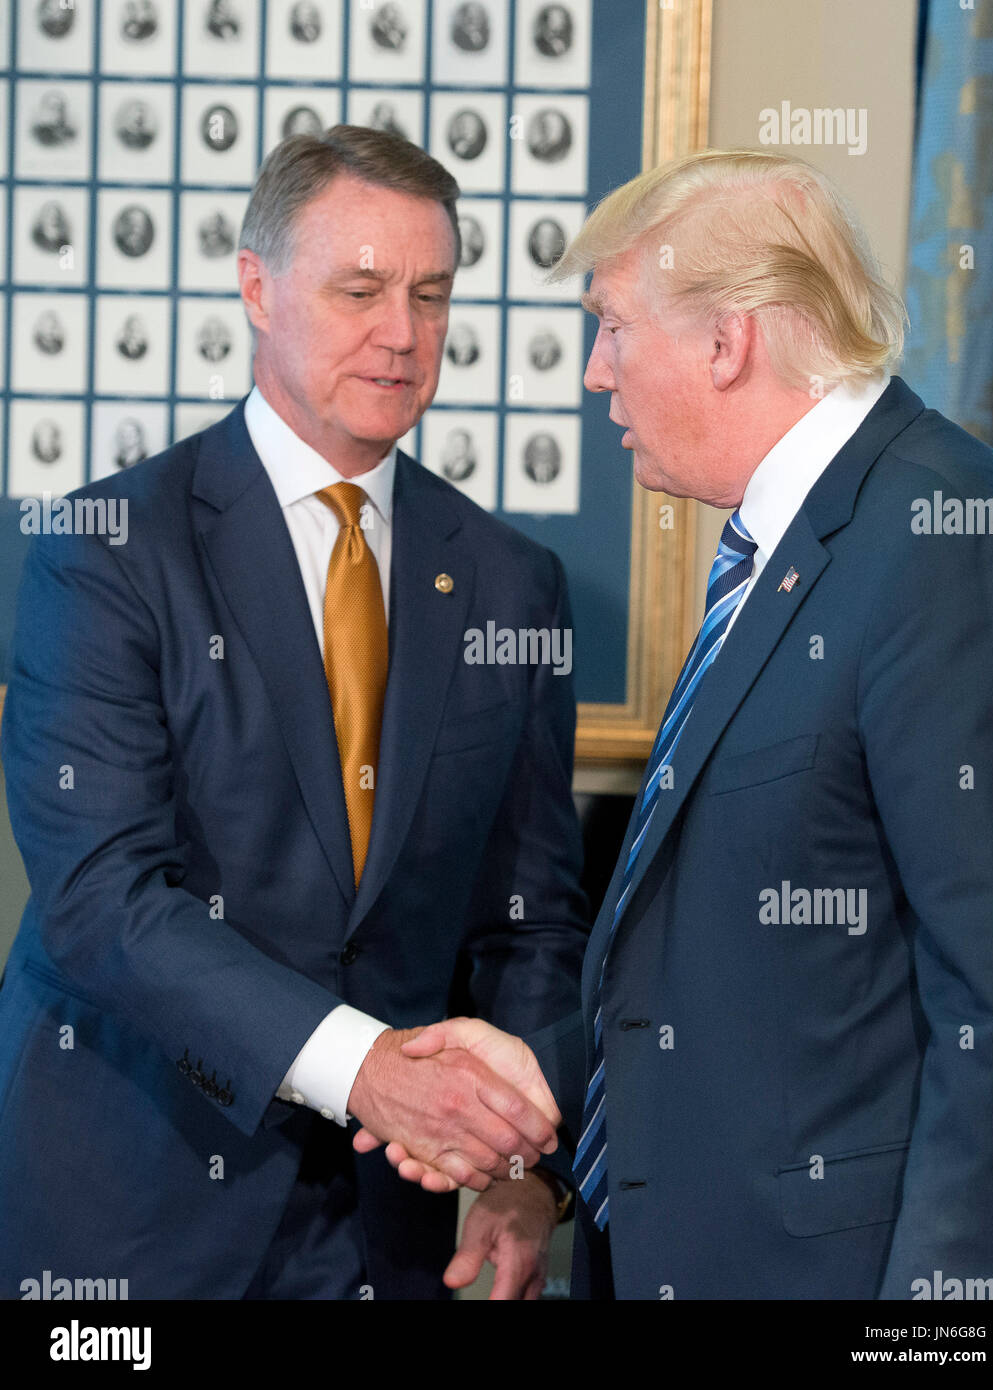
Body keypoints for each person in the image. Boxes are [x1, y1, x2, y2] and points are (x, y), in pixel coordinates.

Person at [364, 149, 993, 1301]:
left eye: (614, 327)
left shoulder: (946, 536)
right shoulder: (789, 537)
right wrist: (538, 1075)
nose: (593, 373)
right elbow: (753, 970)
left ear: (727, 343)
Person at [0, 124, 588, 1302]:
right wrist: (365, 1066)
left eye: (430, 293)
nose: (402, 334)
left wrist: (529, 1164)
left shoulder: (513, 582)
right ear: (256, 287)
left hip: (393, 1234)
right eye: (360, 288)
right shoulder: (104, 551)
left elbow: (532, 923)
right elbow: (101, 900)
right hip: (135, 1220)